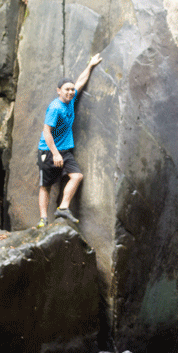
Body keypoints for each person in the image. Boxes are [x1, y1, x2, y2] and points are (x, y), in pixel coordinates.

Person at [36, 53, 102, 228]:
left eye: (72, 89)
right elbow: (46, 132)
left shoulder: (71, 100)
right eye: (67, 89)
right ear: (59, 91)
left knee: (77, 176)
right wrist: (55, 154)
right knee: (46, 186)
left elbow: (80, 81)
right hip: (48, 151)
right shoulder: (55, 108)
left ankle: (63, 207)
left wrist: (90, 65)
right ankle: (43, 218)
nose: (71, 92)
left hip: (65, 150)